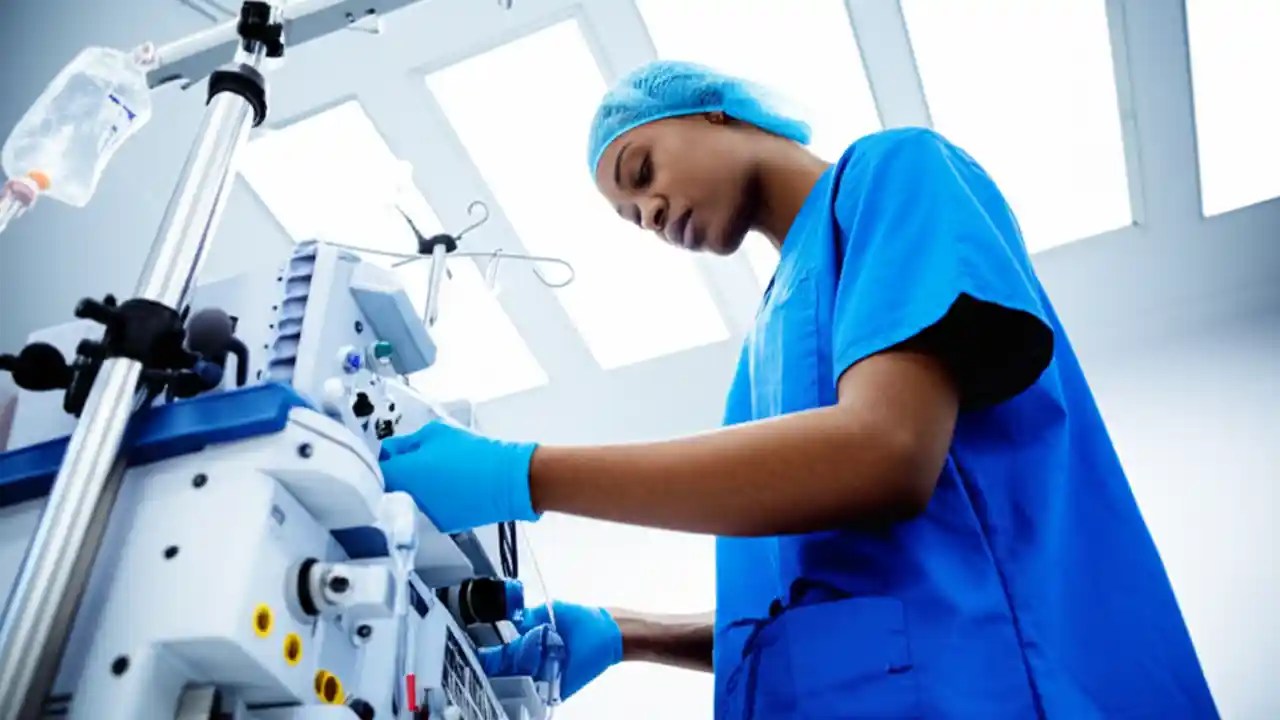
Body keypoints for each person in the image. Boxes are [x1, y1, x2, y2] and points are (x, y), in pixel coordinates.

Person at [379, 60, 1218, 718]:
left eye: (641, 170)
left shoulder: (895, 173)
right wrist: (630, 632)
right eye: (630, 217)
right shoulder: (762, 357)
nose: (649, 212)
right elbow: (827, 615)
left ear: (715, 109)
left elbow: (885, 456)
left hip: (990, 688)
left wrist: (521, 474)